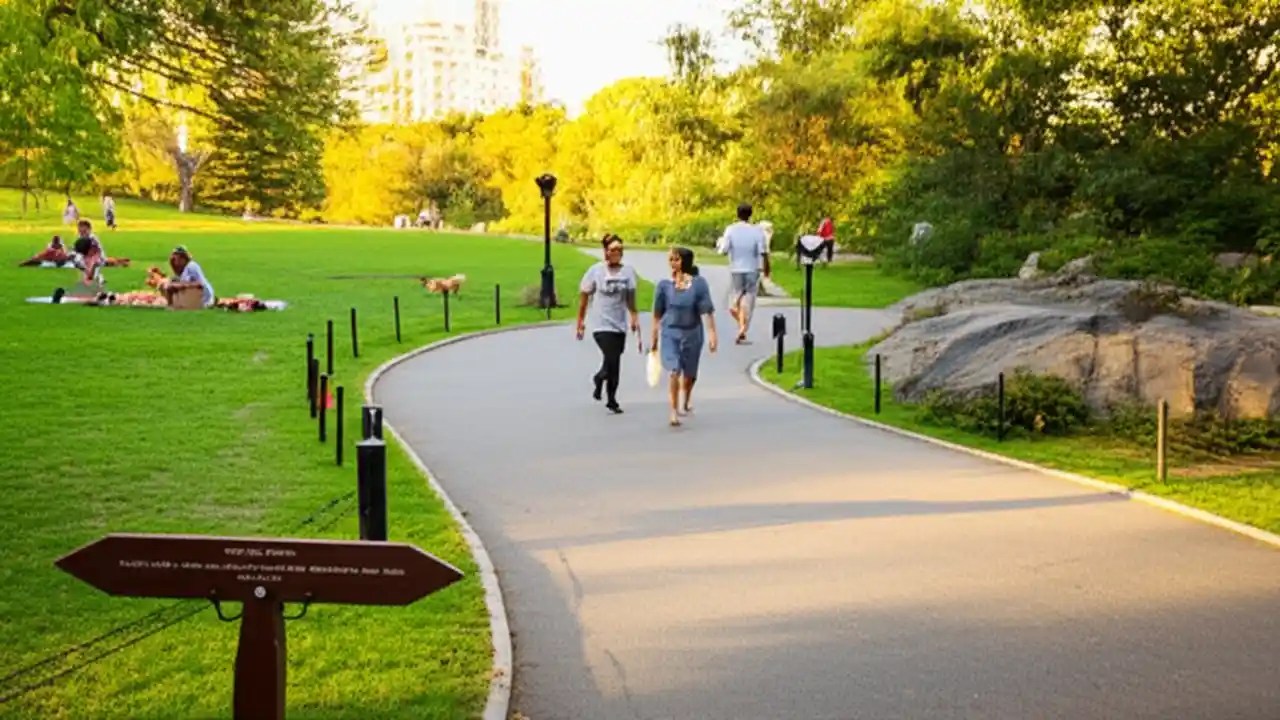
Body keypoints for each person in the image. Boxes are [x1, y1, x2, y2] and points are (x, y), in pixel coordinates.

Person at [650, 247, 718, 427]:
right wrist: (654, 336)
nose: (673, 263)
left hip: (692, 333)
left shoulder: (698, 284)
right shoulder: (664, 285)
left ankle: (686, 398)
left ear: (685, 262)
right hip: (670, 333)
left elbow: (707, 310)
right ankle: (673, 411)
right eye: (671, 260)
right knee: (674, 371)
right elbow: (657, 313)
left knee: (689, 375)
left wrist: (712, 334)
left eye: (676, 259)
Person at [576, 234, 640, 414]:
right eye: (613, 250)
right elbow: (584, 297)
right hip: (601, 324)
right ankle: (600, 379)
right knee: (611, 358)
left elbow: (630, 299)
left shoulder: (628, 272)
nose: (616, 253)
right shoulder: (596, 271)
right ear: (605, 252)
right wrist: (580, 322)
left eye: (620, 250)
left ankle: (610, 397)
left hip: (619, 324)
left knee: (614, 362)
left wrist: (634, 316)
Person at [717, 203, 771, 344]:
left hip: (736, 269)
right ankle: (743, 328)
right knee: (749, 300)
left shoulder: (730, 230)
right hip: (752, 269)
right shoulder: (757, 231)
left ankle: (741, 326)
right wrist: (766, 268)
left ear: (737, 214)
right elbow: (763, 252)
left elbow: (723, 250)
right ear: (750, 215)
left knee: (736, 299)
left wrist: (721, 246)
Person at [71, 220, 105, 286]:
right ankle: (92, 277)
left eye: (84, 231)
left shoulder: (92, 238)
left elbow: (97, 251)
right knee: (78, 261)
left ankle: (97, 278)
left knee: (91, 273)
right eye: (80, 232)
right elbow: (76, 248)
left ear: (89, 229)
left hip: (95, 257)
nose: (82, 233)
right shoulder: (80, 238)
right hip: (86, 258)